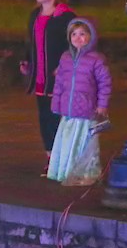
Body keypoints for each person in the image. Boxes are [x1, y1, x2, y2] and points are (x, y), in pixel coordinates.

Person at [19, 0, 78, 161]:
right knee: (44, 116)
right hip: (40, 77)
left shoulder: (66, 17)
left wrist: (65, 65)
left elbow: (74, 45)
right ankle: (50, 156)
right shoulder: (34, 15)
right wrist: (27, 60)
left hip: (58, 77)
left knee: (57, 117)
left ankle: (64, 157)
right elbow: (32, 42)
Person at [46, 18, 110, 185]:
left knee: (82, 142)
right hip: (68, 110)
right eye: (74, 34)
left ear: (91, 36)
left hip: (85, 110)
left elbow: (105, 84)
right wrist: (56, 103)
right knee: (67, 140)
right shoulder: (65, 58)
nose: (78, 37)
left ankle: (84, 172)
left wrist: (102, 105)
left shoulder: (96, 60)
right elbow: (60, 82)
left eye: (83, 34)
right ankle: (64, 171)